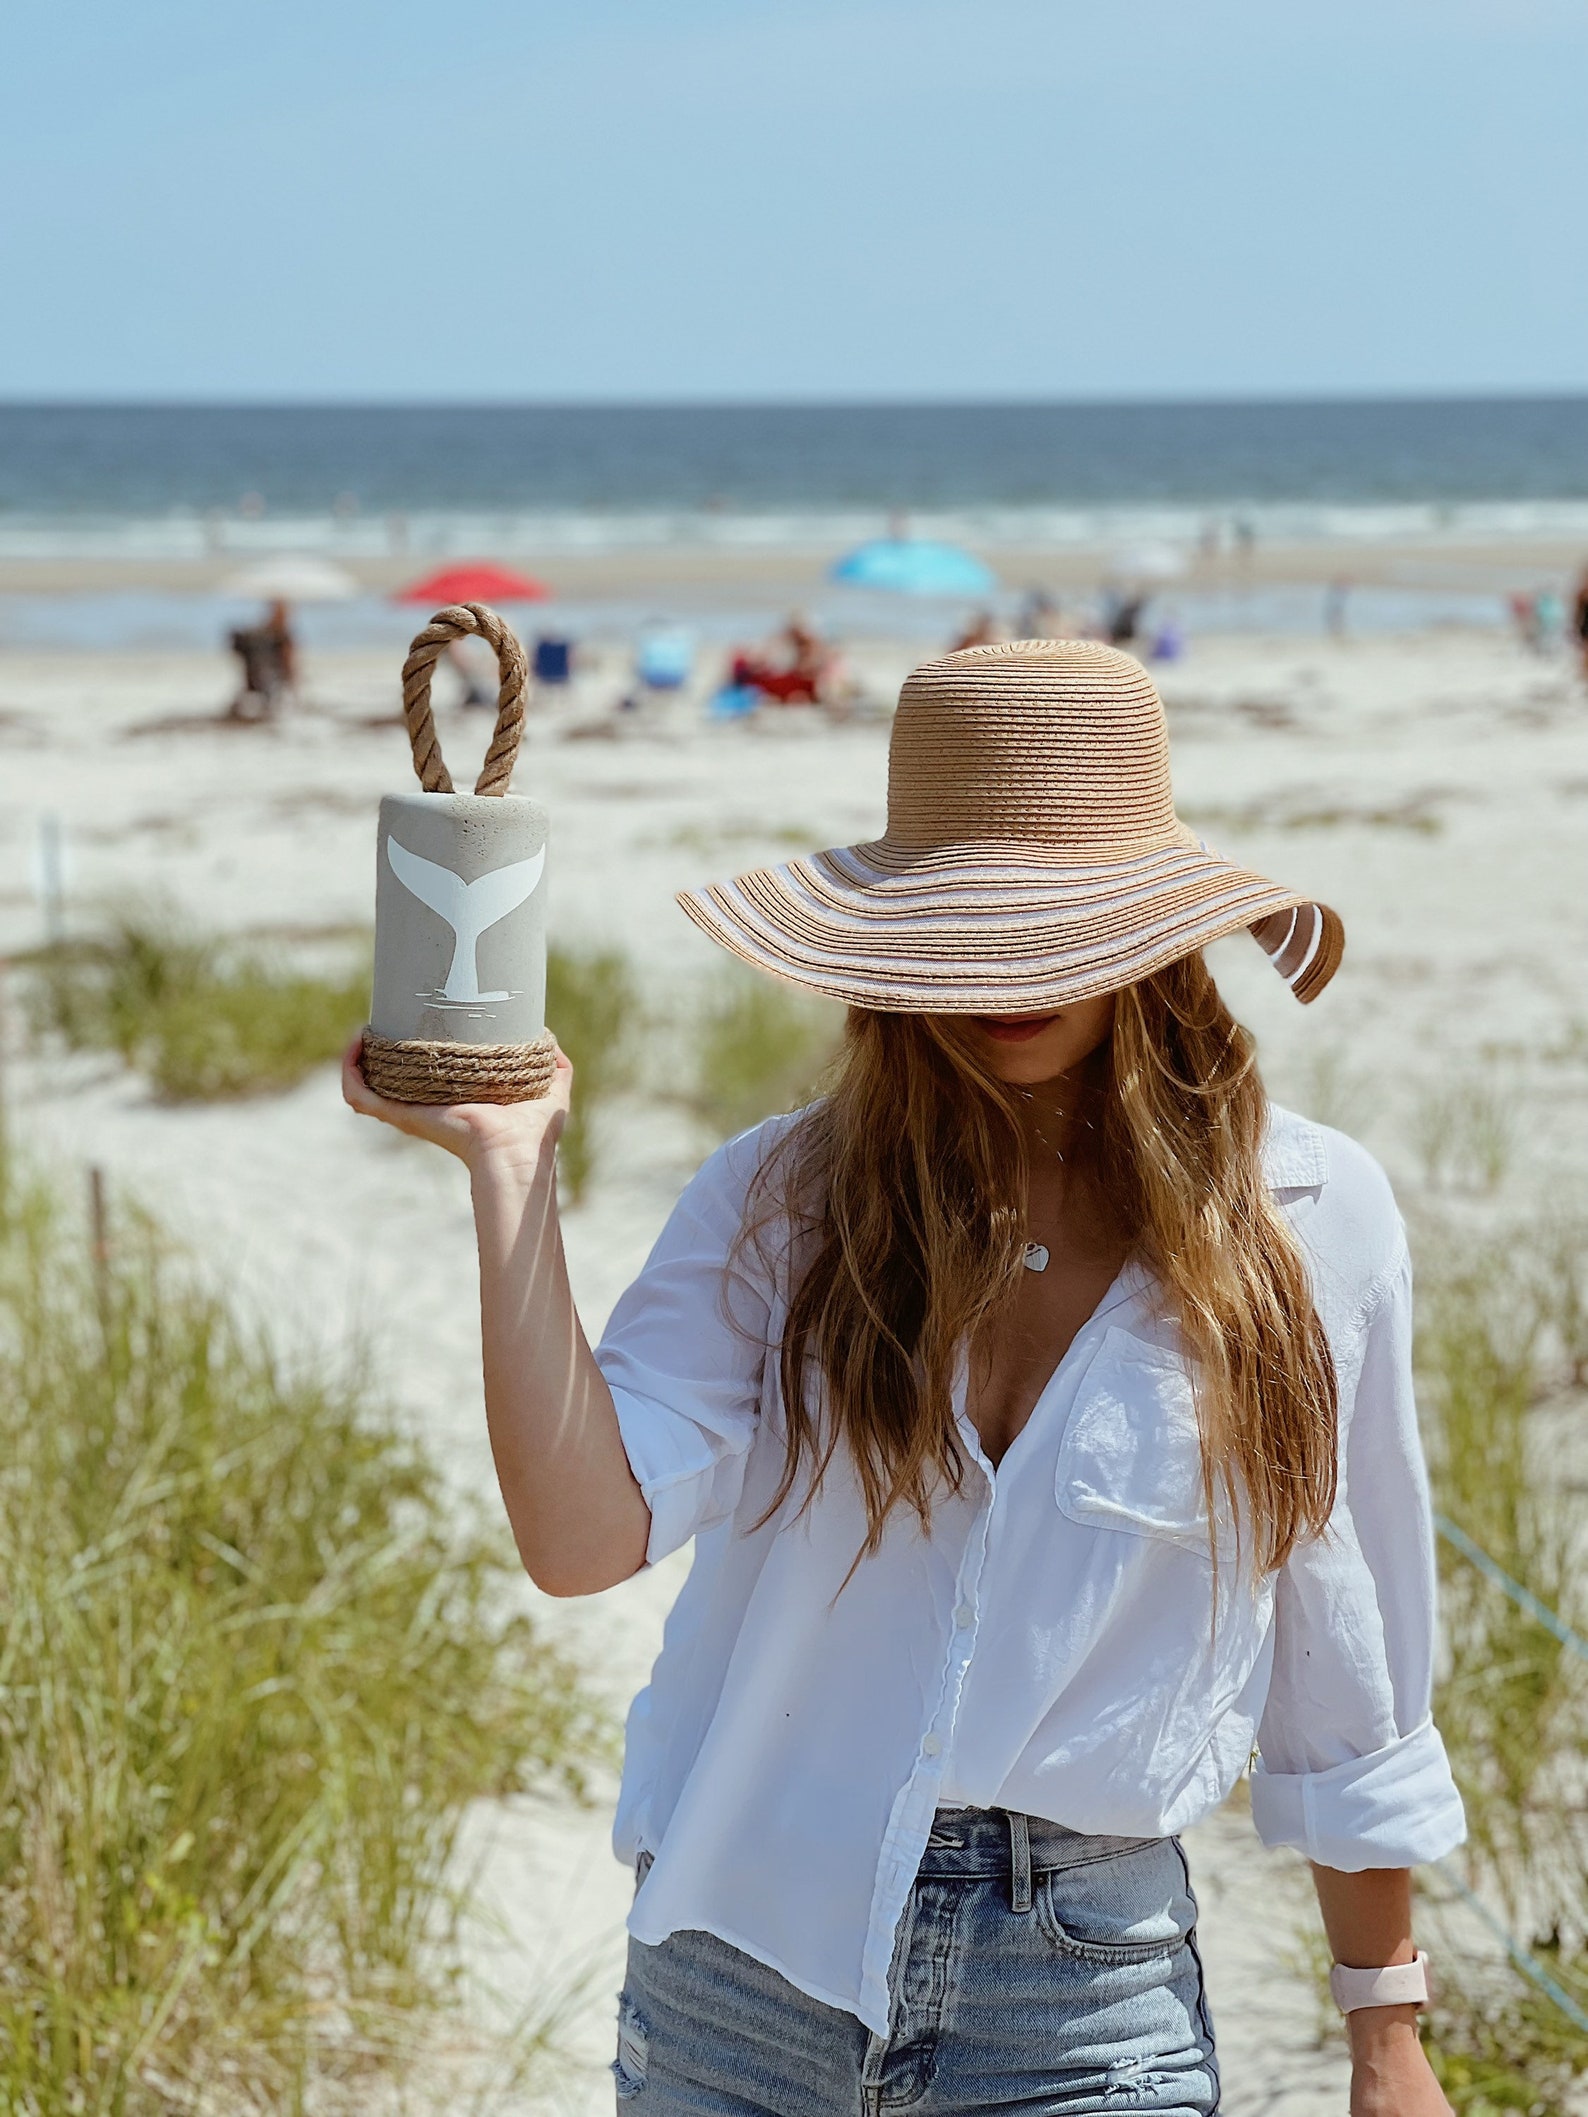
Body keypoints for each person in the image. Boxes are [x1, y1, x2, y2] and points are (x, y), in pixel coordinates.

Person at [344, 640, 1465, 2116]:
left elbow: (1350, 1648)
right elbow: (578, 1537)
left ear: (1154, 929)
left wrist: (1385, 2032)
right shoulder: (785, 1200)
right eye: (967, 926)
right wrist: (512, 1174)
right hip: (738, 1974)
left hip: (1082, 2003)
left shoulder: (1310, 1222)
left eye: (1055, 925)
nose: (1009, 973)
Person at [227, 599, 298, 721]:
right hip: (266, 674)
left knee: (265, 687)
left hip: (263, 674)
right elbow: (288, 662)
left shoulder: (273, 633)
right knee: (267, 686)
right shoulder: (275, 635)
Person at [1574, 565, 1588, 681]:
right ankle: (1585, 675)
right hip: (1586, 624)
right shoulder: (1582, 593)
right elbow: (1578, 612)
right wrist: (1576, 626)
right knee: (1585, 651)